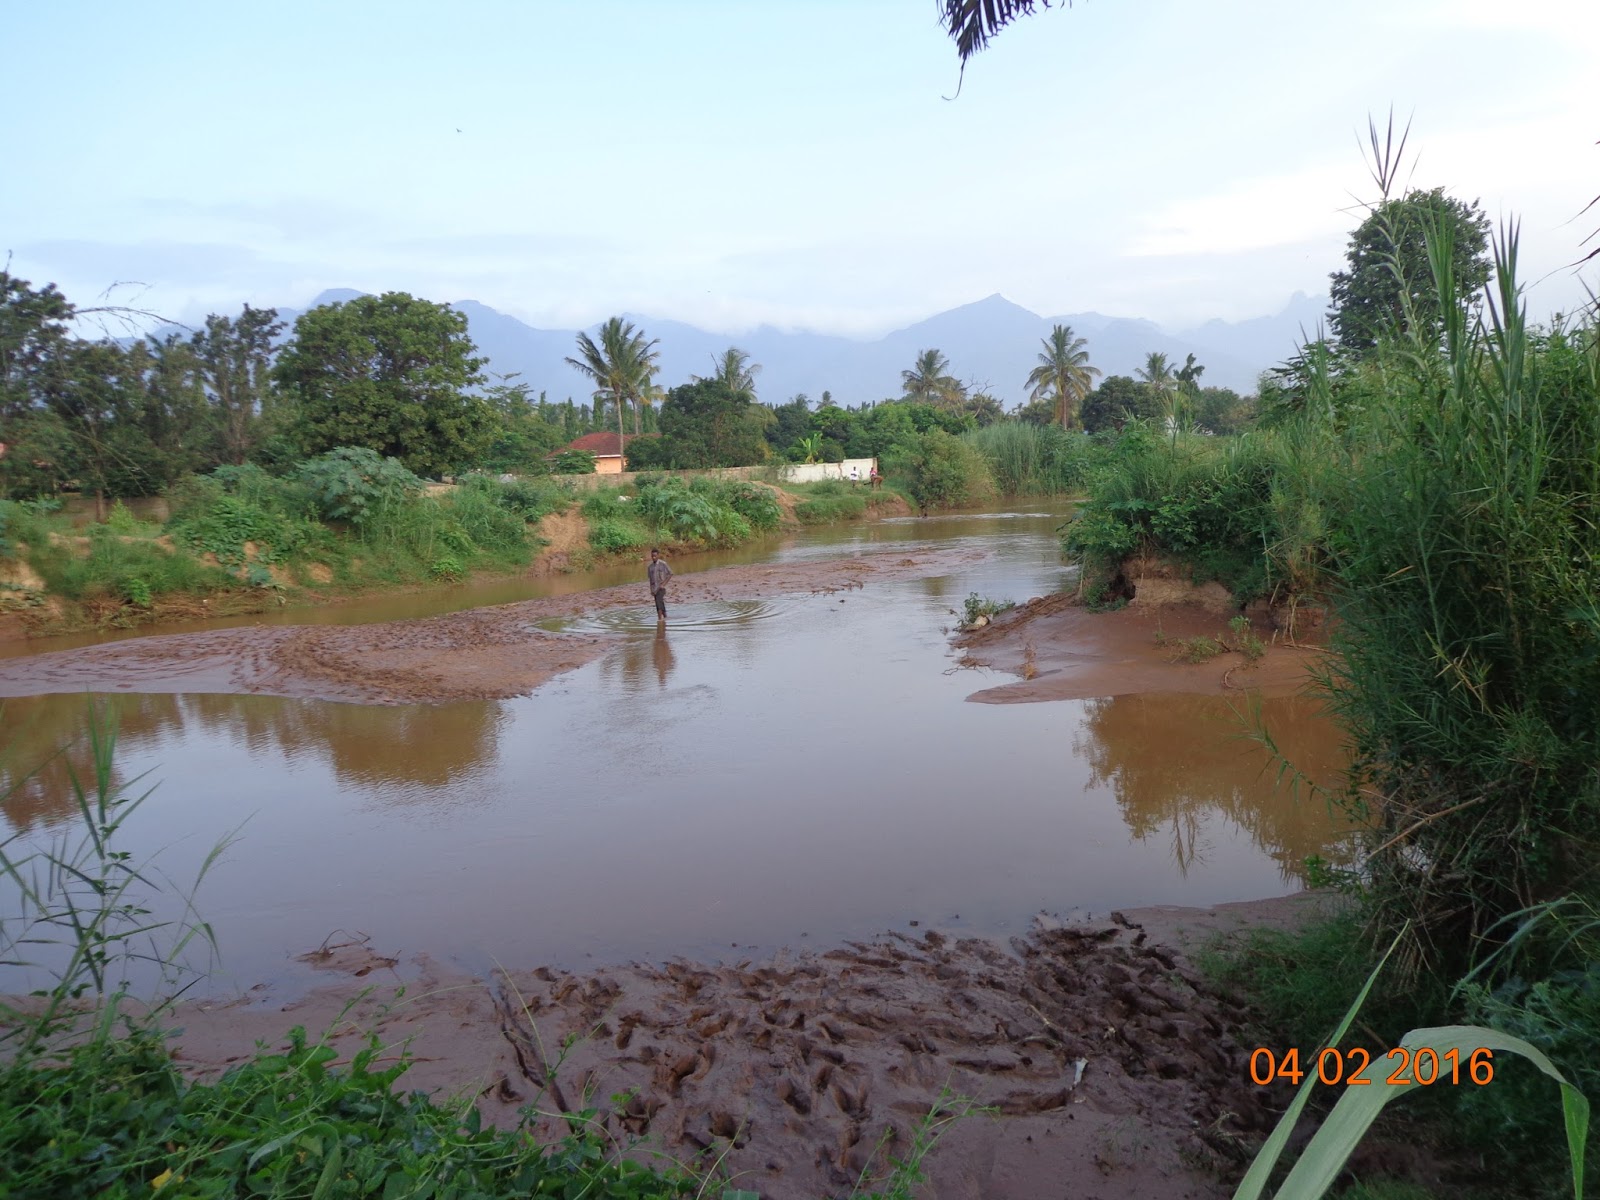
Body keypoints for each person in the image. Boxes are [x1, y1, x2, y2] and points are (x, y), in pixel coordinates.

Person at [646, 547, 673, 621]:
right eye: (652, 556)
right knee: (660, 603)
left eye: (655, 556)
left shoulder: (663, 564)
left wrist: (663, 584)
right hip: (655, 589)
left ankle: (660, 619)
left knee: (658, 603)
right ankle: (665, 617)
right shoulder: (650, 567)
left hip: (661, 588)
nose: (653, 558)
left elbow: (670, 573)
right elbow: (650, 580)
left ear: (658, 555)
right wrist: (651, 590)